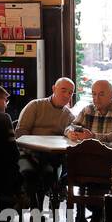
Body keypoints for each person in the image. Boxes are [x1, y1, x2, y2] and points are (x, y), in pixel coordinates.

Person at [16, 77, 76, 206]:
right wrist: (32, 149)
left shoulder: (69, 116)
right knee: (30, 173)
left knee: (50, 173)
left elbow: (69, 141)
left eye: (70, 92)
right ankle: (35, 208)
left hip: (53, 157)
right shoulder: (35, 106)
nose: (67, 95)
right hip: (28, 153)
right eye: (63, 90)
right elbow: (21, 132)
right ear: (54, 89)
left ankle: (37, 209)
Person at [66, 79, 112, 162]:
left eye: (101, 94)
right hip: (91, 160)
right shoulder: (88, 110)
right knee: (69, 167)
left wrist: (92, 137)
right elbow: (71, 127)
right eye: (94, 94)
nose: (96, 98)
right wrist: (69, 133)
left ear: (111, 94)